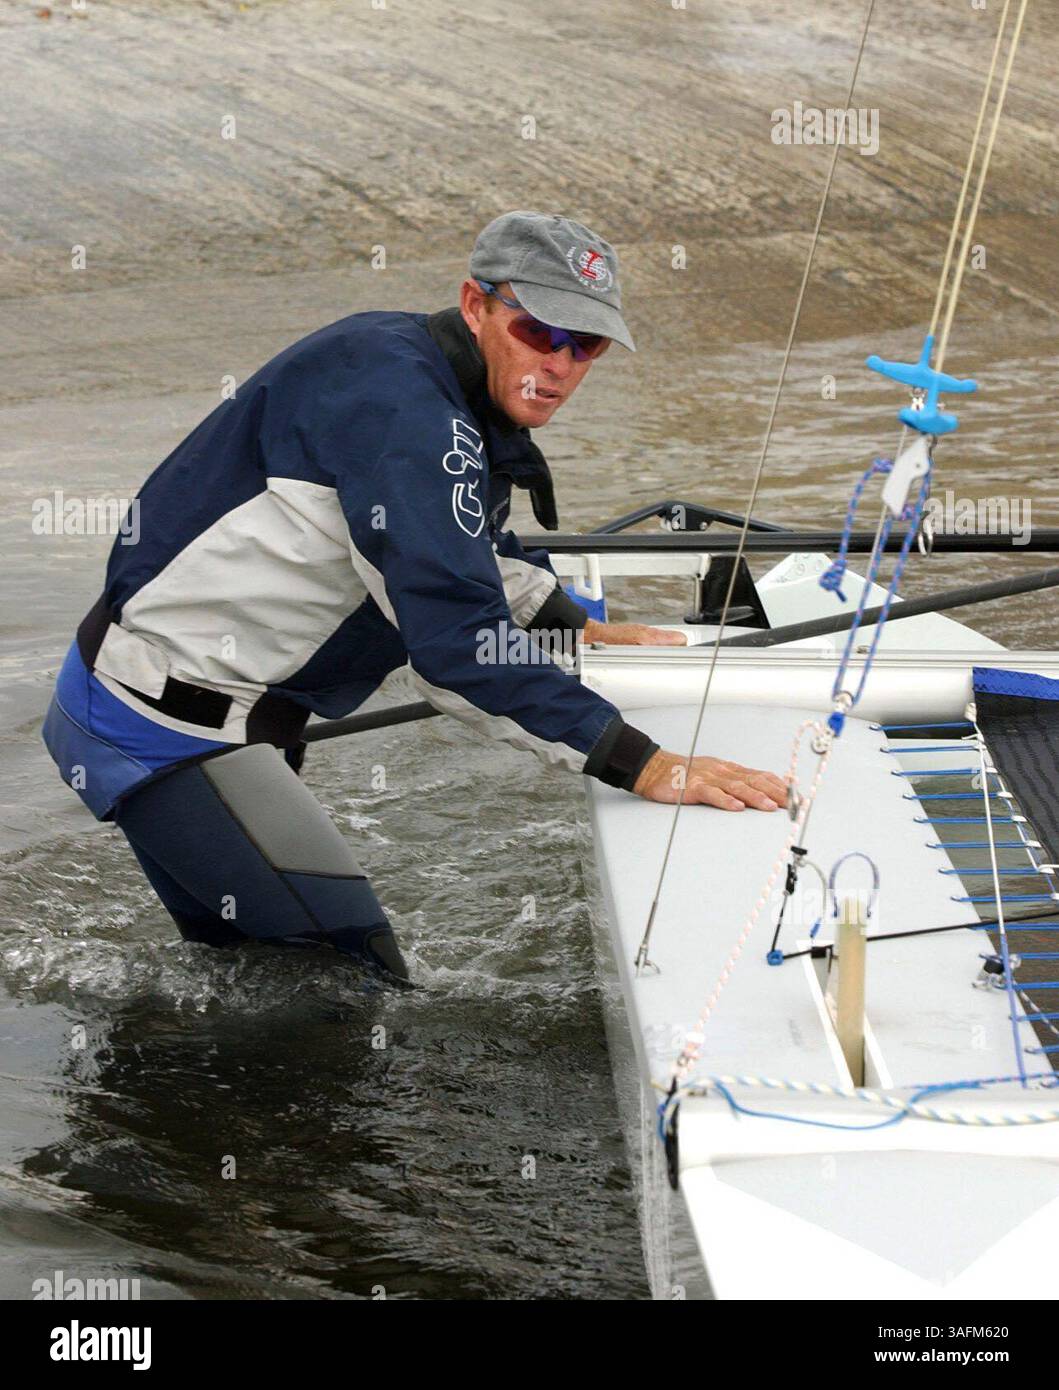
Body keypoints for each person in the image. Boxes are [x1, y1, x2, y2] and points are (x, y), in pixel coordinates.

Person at [42, 210, 785, 981]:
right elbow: (455, 651)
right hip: (164, 732)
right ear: (475, 305)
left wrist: (564, 623)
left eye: (585, 344)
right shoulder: (410, 416)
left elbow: (448, 544)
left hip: (177, 708)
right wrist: (646, 764)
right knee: (348, 984)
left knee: (245, 980)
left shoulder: (409, 366)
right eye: (538, 331)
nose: (560, 364)